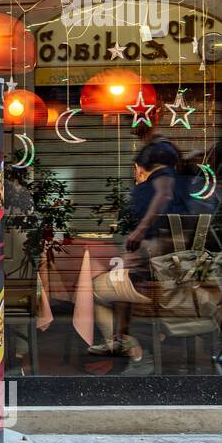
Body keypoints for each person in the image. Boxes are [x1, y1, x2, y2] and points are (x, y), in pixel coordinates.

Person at [91, 140, 185, 367]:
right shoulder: (190, 186)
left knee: (95, 288)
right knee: (121, 279)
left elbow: (163, 195)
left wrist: (138, 231)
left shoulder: (150, 189)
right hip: (180, 287)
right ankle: (123, 337)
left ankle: (128, 347)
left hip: (156, 292)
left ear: (141, 166)